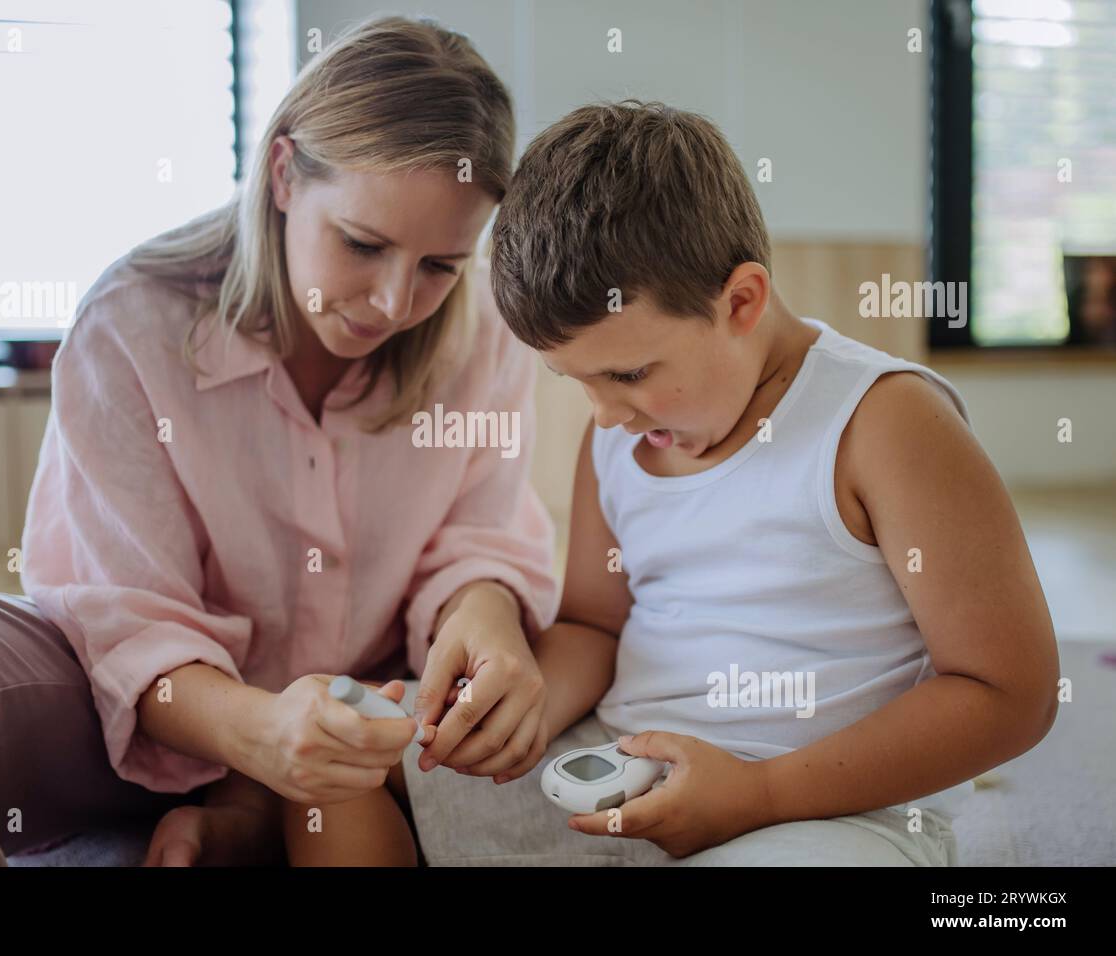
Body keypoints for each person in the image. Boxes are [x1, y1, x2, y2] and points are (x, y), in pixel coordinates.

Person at [0, 15, 559, 867]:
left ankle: (247, 810)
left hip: (375, 720)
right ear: (283, 174)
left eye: (440, 266)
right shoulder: (130, 326)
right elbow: (125, 626)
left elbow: (477, 546)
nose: (395, 301)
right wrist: (257, 738)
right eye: (362, 244)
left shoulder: (487, 336)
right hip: (128, 713)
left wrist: (490, 623)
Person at [392, 101, 1061, 866]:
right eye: (574, 380)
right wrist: (523, 711)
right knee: (362, 773)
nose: (606, 413)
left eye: (630, 373)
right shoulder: (618, 435)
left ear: (741, 301)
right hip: (616, 767)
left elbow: (1012, 693)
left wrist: (759, 793)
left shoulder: (885, 424)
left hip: (821, 809)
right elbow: (592, 628)